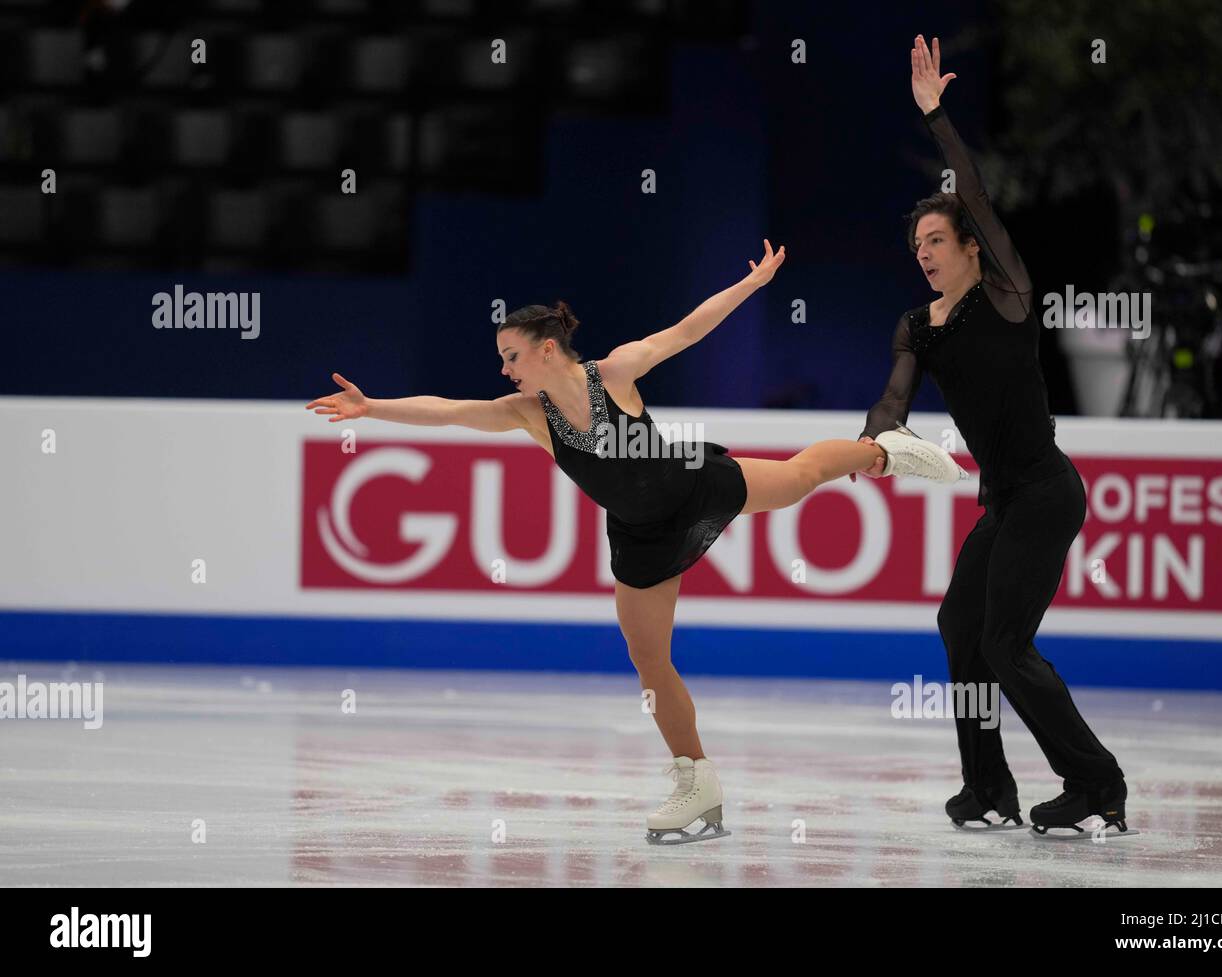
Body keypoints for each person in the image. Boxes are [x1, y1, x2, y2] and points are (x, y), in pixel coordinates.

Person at [308, 239, 965, 844]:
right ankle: (697, 781)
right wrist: (375, 408)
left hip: (688, 486)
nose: (504, 368)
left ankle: (882, 451)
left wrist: (753, 284)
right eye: (500, 358)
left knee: (798, 477)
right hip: (639, 536)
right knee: (648, 658)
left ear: (544, 348)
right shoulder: (526, 414)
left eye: (510, 354)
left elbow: (688, 328)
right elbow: (449, 411)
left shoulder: (614, 372)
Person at [852, 37, 1128, 835]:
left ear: (971, 245)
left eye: (937, 241)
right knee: (959, 626)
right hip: (1004, 499)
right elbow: (892, 400)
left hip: (1047, 492)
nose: (925, 254)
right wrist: (874, 445)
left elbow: (970, 189)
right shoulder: (918, 325)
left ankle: (1097, 781)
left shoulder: (1007, 294)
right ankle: (989, 786)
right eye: (917, 247)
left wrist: (936, 115)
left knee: (1007, 643)